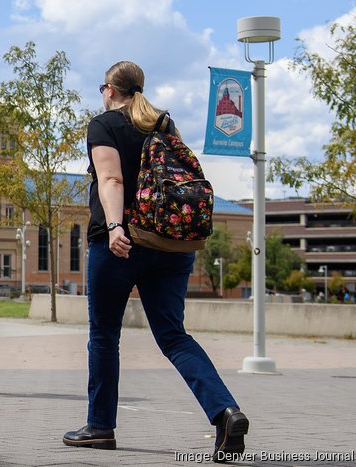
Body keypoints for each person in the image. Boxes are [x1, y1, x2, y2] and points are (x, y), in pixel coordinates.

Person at [63, 61, 249, 462]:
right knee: (173, 336)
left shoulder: (104, 124)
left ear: (110, 89)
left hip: (122, 244)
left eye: (102, 87)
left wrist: (115, 227)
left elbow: (111, 180)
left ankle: (100, 427)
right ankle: (225, 412)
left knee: (104, 336)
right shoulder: (164, 125)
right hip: (169, 245)